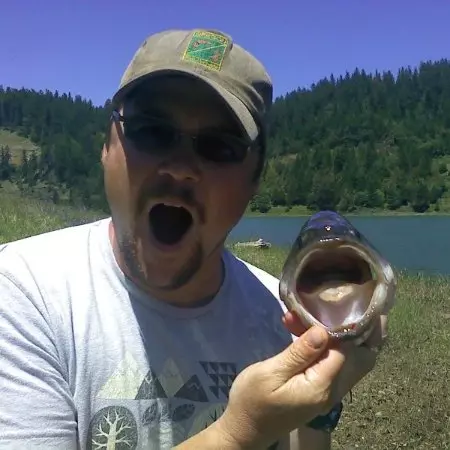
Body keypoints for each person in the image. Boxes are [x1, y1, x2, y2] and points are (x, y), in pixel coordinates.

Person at [0, 28, 388, 450]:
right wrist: (239, 433)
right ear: (107, 145)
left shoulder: (281, 322)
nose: (181, 167)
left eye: (219, 146)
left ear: (256, 179)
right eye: (151, 130)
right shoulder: (22, 294)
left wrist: (321, 404)